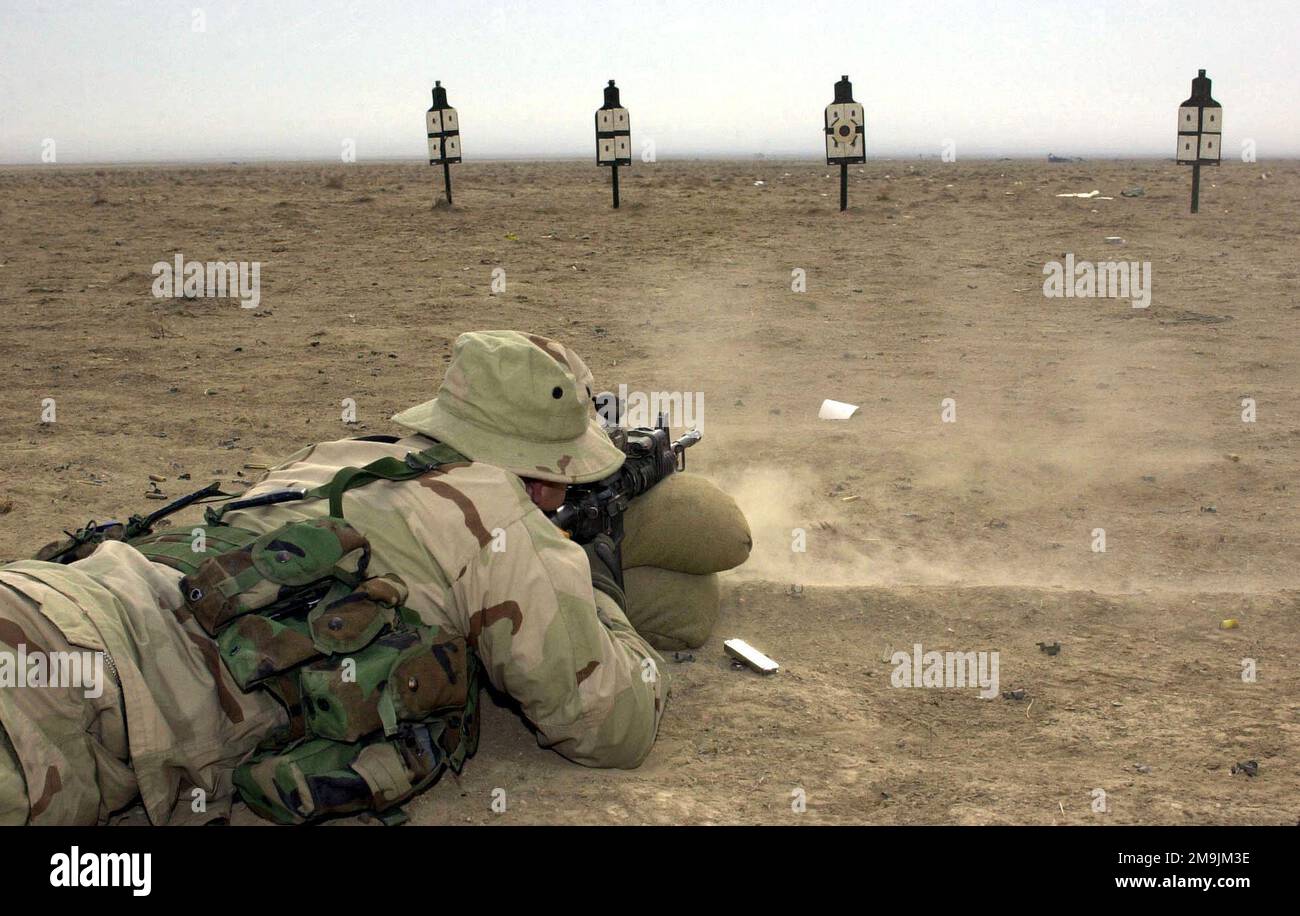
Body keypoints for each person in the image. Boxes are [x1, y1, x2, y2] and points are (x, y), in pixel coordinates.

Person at [0, 330, 668, 824]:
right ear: (550, 477)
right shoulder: (497, 518)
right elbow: (611, 728)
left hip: (49, 594)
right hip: (94, 686)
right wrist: (598, 587)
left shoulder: (344, 456)